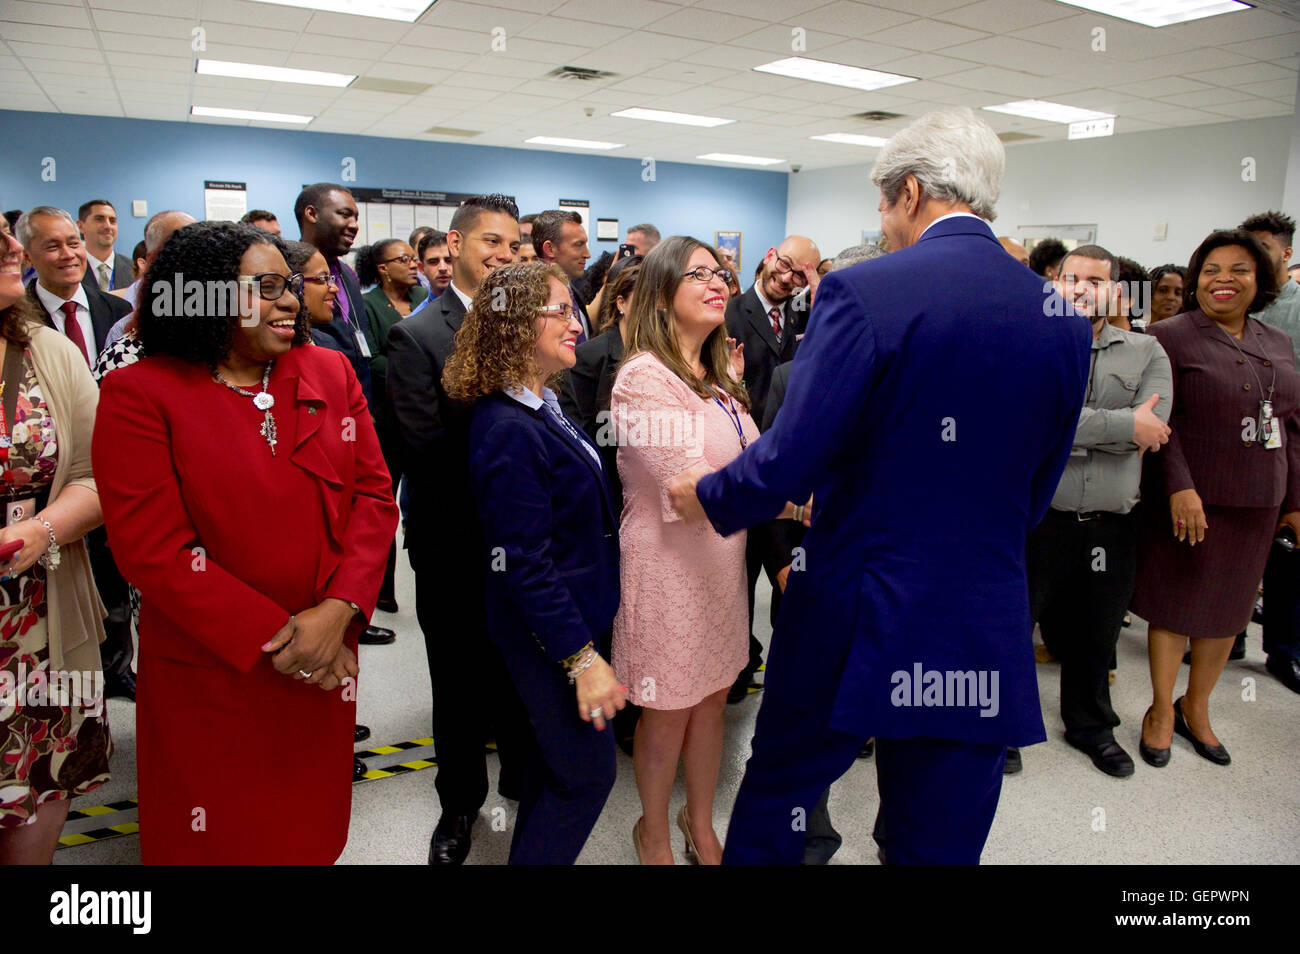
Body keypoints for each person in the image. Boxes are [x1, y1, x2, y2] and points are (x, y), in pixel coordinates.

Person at [668, 107, 1092, 865]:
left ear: (908, 191)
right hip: (980, 610)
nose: (884, 223)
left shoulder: (866, 293)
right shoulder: (1061, 316)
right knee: (939, 831)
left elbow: (791, 460)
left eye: (881, 206)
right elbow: (1037, 489)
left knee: (782, 794)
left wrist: (708, 494)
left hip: (856, 603)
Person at [92, 221, 399, 862]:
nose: (288, 300)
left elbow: (373, 499)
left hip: (323, 664)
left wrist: (338, 612)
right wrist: (290, 636)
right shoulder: (140, 395)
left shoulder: (331, 372)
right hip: (217, 671)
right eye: (262, 288)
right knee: (215, 837)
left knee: (307, 832)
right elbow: (154, 551)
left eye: (288, 285)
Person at [613, 235, 794, 865]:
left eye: (721, 273)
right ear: (663, 295)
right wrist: (794, 504)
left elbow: (753, 460)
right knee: (667, 708)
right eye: (699, 274)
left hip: (720, 566)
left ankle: (700, 816)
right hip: (667, 571)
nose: (719, 282)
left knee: (715, 696)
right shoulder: (643, 379)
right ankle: (654, 830)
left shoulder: (717, 377)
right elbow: (692, 493)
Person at [444, 262, 625, 864]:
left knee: (557, 774)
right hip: (549, 636)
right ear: (515, 325)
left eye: (574, 309)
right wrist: (582, 660)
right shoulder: (506, 427)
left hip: (573, 621)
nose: (576, 322)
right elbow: (524, 563)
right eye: (558, 311)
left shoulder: (543, 402)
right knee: (585, 777)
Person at [386, 194, 531, 865]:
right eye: (490, 243)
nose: (502, 256)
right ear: (457, 244)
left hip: (527, 545)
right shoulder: (417, 337)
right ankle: (459, 806)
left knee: (521, 672)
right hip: (454, 543)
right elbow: (427, 450)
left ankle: (526, 788)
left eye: (512, 246)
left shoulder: (530, 324)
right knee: (459, 685)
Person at [1132, 229, 1296, 765]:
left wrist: (1293, 498)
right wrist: (1179, 485)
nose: (1223, 279)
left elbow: (1291, 425)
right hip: (1193, 495)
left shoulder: (1277, 341)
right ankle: (1159, 709)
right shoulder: (1171, 336)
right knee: (1176, 605)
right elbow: (1162, 419)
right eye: (1210, 270)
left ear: (1261, 280)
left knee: (1230, 610)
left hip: (1259, 497)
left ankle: (1195, 706)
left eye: (1239, 270)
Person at [1022, 245, 1171, 778]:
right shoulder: (1028, 345)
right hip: (1038, 519)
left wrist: (1081, 428)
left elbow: (1151, 433)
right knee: (1016, 624)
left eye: (1096, 281)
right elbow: (1032, 423)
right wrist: (1121, 426)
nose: (1081, 288)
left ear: (1117, 292)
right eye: (1070, 278)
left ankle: (1090, 726)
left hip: (1111, 521)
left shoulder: (1147, 352)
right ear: (1053, 285)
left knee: (1097, 630)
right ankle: (1004, 729)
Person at [0, 223, 110, 865]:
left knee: (41, 780)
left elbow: (98, 474)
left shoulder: (48, 350)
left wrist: (36, 531)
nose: (15, 248)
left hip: (40, 612)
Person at [17, 207, 136, 701]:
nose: (68, 255)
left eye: (73, 243)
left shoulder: (114, 311)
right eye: (53, 246)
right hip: (53, 473)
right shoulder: (16, 317)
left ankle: (117, 668)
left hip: (116, 468)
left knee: (114, 572)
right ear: (27, 256)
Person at [295, 185, 395, 645]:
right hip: (315, 411)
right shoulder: (290, 265)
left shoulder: (348, 274)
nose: (354, 224)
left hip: (356, 404)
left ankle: (352, 610)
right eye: (344, 214)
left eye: (357, 216)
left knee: (360, 517)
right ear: (312, 214)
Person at [725, 232, 821, 704]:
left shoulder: (809, 317)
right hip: (746, 462)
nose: (788, 278)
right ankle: (735, 668)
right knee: (739, 582)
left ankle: (785, 681)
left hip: (795, 472)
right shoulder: (729, 313)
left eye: (801, 275)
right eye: (784, 265)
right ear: (768, 257)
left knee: (790, 587)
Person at [1242, 212, 1300, 693]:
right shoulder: (1240, 302)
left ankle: (1283, 649)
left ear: (1286, 252)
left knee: (1286, 552)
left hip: (1286, 442)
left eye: (1263, 247)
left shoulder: (1295, 310)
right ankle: (1227, 632)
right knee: (1231, 550)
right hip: (1233, 448)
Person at [359, 240, 426, 617]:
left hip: (419, 416)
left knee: (419, 503)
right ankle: (380, 590)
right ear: (382, 268)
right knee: (382, 505)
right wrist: (413, 366)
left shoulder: (423, 295)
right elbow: (372, 359)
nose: (413, 265)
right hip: (386, 422)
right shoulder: (369, 305)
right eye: (404, 259)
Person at [532, 209, 592, 342]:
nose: (587, 254)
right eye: (578, 245)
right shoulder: (532, 299)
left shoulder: (573, 292)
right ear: (550, 249)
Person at [77, 200, 131, 292]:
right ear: (81, 226)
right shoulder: (70, 270)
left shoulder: (134, 269)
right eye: (99, 219)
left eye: (112, 221)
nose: (108, 226)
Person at [419, 230, 453, 297]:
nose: (443, 268)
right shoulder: (423, 308)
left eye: (449, 260)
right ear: (422, 268)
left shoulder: (476, 305)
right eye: (433, 262)